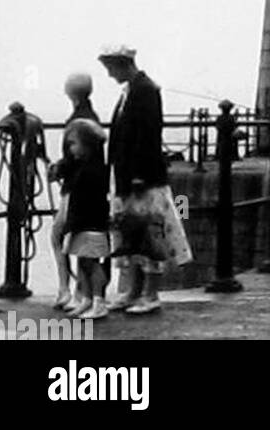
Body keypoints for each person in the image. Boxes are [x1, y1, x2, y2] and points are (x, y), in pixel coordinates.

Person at [98, 45, 192, 315]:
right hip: (128, 176)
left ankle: (150, 294)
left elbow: (148, 135)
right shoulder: (132, 91)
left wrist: (139, 175)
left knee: (150, 235)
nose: (109, 75)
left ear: (122, 64)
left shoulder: (145, 91)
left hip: (143, 179)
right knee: (132, 235)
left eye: (110, 69)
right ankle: (134, 291)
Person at [48, 73, 103, 311]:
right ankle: (83, 295)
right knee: (82, 250)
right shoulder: (92, 118)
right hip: (85, 197)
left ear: (69, 91)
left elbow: (74, 158)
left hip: (76, 193)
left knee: (59, 236)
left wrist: (60, 167)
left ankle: (68, 291)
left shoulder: (79, 122)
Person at [59, 118, 110, 319]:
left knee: (92, 262)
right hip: (84, 223)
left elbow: (86, 201)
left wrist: (72, 224)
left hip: (90, 223)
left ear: (86, 145)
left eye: (74, 144)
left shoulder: (91, 171)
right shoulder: (85, 167)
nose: (71, 149)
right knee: (83, 261)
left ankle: (98, 300)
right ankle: (87, 298)